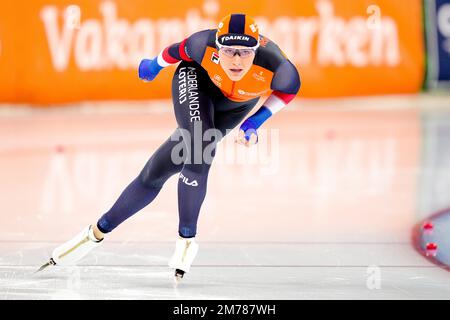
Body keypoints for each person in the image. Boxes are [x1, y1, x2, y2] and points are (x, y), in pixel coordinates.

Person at [38, 13, 301, 281]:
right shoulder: (202, 44)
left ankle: (95, 232)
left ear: (256, 51)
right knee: (201, 146)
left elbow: (288, 90)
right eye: (229, 51)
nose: (236, 60)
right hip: (196, 81)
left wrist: (256, 120)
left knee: (157, 172)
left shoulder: (278, 66)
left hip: (234, 108)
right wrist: (154, 65)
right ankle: (187, 241)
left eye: (244, 53)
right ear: (218, 48)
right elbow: (175, 51)